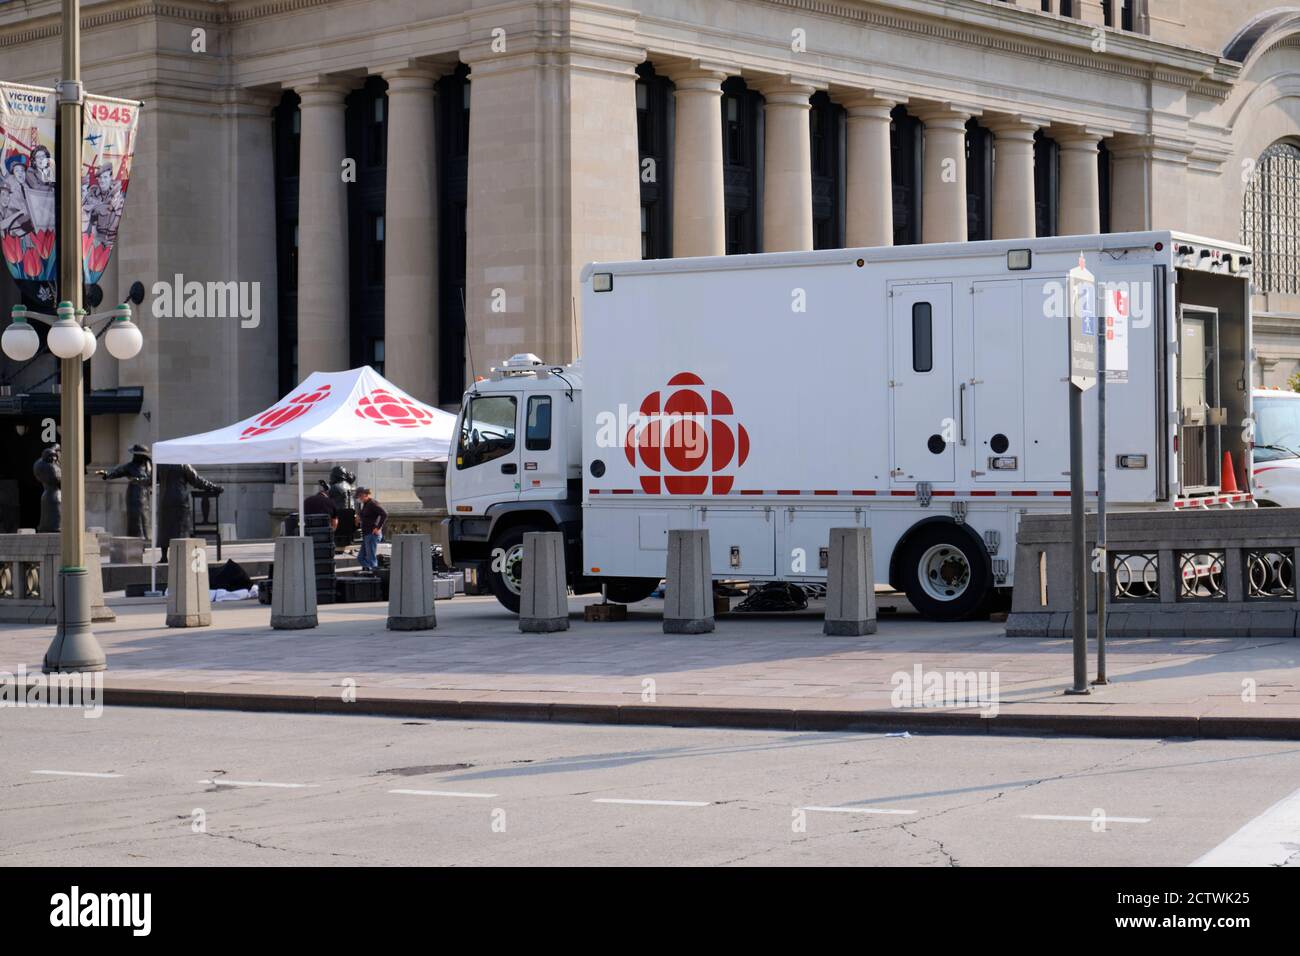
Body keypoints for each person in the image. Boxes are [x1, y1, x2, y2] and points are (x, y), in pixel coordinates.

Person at [356, 486, 386, 572]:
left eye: (360, 496)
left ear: (365, 495)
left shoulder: (372, 503)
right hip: (367, 534)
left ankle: (374, 575)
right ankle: (370, 571)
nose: (359, 498)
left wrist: (378, 527)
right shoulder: (366, 504)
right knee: (360, 557)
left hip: (372, 534)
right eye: (358, 497)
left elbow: (384, 514)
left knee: (371, 558)